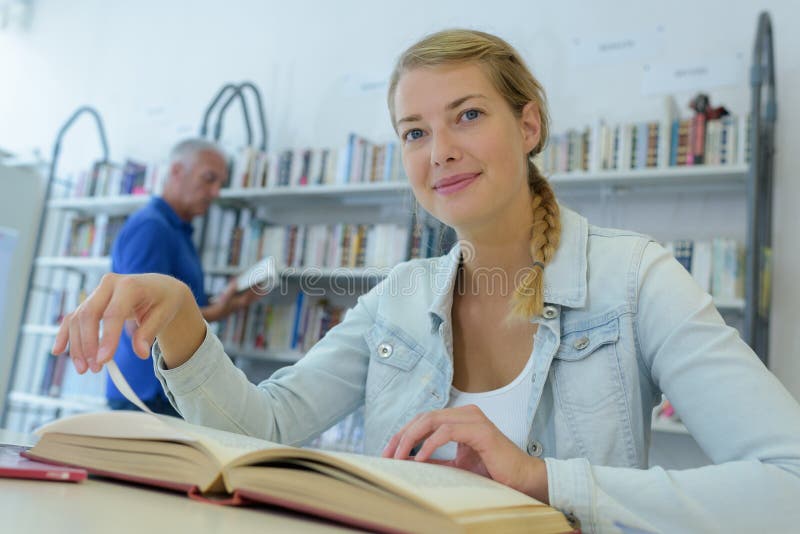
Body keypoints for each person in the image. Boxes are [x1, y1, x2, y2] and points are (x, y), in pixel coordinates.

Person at [55, 30, 800, 532]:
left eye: (468, 115)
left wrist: (545, 479)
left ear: (529, 125)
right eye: (414, 131)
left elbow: (787, 481)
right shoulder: (400, 297)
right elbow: (264, 430)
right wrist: (185, 322)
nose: (439, 151)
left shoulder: (636, 280)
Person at [105, 139, 259, 415]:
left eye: (220, 183)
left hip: (162, 387)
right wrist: (216, 311)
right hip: (145, 394)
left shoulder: (178, 231)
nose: (215, 192)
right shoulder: (152, 228)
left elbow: (178, 303)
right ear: (176, 171)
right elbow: (143, 320)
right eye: (209, 179)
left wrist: (227, 303)